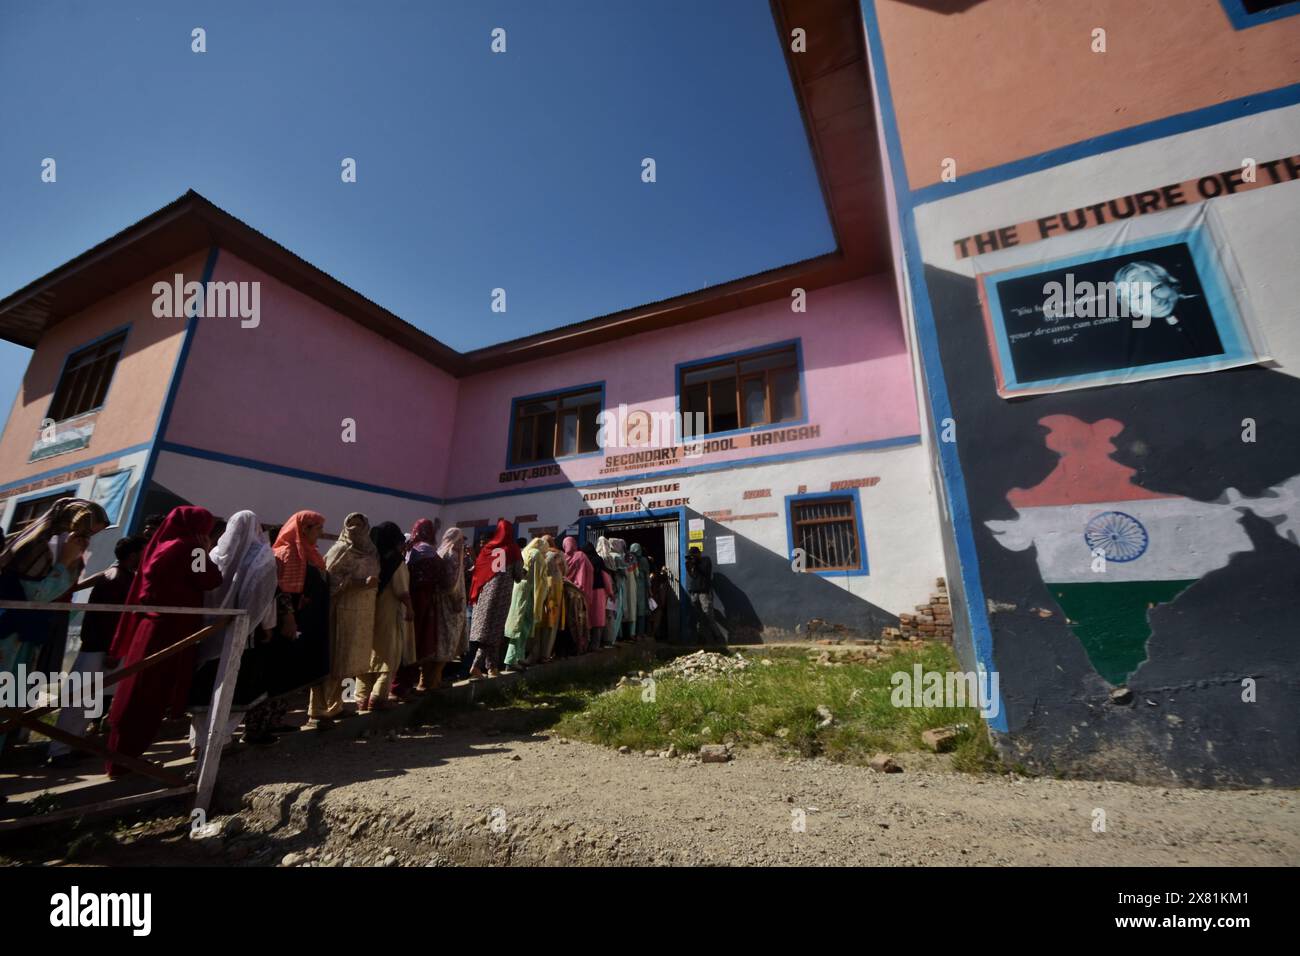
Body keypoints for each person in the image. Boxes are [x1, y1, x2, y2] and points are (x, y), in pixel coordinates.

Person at [105, 507, 224, 776]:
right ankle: (126, 761)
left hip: (149, 627)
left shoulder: (162, 545)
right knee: (150, 695)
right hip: (170, 631)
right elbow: (210, 580)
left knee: (134, 691)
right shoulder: (191, 548)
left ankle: (117, 757)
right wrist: (204, 550)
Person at [0, 499, 110, 757]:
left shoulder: (61, 549)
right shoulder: (36, 549)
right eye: (84, 532)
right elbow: (38, 596)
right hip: (8, 638)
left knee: (11, 705)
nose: (85, 541)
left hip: (26, 641)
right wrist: (65, 561)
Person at [47, 533, 146, 766]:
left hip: (106, 649)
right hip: (100, 649)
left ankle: (75, 743)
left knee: (89, 700)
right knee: (79, 701)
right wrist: (111, 650)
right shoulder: (116, 578)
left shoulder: (122, 576)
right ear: (133, 555)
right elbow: (108, 619)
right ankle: (59, 751)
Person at [188, 510, 278, 761]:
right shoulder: (260, 558)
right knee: (234, 687)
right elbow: (265, 597)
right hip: (241, 633)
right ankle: (222, 739)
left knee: (204, 686)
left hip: (207, 633)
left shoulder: (213, 555)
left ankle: (198, 742)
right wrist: (267, 625)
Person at [242, 511, 332, 742]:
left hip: (304, 621)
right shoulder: (288, 553)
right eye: (317, 529)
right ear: (304, 529)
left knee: (287, 672)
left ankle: (275, 721)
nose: (320, 534)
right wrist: (288, 617)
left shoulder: (309, 553)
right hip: (286, 623)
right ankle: (257, 727)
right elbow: (281, 591)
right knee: (273, 672)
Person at [314, 513, 379, 725]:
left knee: (351, 661)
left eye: (359, 525)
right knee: (334, 659)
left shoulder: (371, 551)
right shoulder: (340, 550)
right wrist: (358, 583)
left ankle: (340, 705)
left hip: (361, 614)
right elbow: (328, 581)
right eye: (350, 524)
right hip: (339, 612)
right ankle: (319, 711)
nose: (354, 528)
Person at [360, 522, 415, 711]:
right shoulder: (395, 561)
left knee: (366, 657)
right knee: (388, 656)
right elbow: (402, 590)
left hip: (366, 612)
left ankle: (361, 700)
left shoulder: (369, 558)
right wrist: (409, 608)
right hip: (387, 612)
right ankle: (377, 698)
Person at [467, 519, 522, 678]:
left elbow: (476, 570)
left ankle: (491, 668)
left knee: (488, 631)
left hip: (483, 596)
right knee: (494, 631)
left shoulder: (487, 549)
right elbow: (518, 575)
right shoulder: (512, 549)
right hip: (501, 596)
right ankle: (476, 666)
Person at [395, 518, 441, 697]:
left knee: (404, 641)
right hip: (423, 601)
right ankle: (405, 685)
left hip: (405, 599)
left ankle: (398, 684)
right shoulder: (430, 552)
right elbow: (441, 577)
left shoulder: (409, 550)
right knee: (417, 642)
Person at [429, 527, 469, 688]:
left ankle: (434, 679)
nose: (462, 543)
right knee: (448, 641)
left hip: (439, 602)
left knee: (440, 640)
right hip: (450, 605)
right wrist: (455, 600)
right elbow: (450, 583)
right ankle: (434, 681)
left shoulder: (441, 551)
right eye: (460, 540)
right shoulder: (452, 554)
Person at [503, 536, 547, 672]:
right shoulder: (537, 554)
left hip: (518, 590)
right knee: (522, 625)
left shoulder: (524, 551)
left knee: (517, 623)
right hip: (529, 592)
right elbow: (541, 577)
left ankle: (518, 657)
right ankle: (511, 659)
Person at [527, 537, 565, 665]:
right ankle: (545, 654)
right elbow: (565, 572)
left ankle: (533, 654)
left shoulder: (535, 554)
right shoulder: (558, 555)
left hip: (539, 590)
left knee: (538, 624)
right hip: (554, 592)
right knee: (550, 625)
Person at [685, 546, 727, 645]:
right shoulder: (694, 564)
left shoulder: (705, 560)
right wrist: (688, 568)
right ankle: (701, 639)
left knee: (708, 616)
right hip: (694, 593)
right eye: (691, 556)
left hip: (704, 592)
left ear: (698, 554)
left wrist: (695, 562)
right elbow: (693, 576)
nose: (692, 558)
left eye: (693, 555)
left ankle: (719, 638)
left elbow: (704, 571)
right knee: (698, 617)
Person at [561, 536, 594, 654]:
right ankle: (581, 646)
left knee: (566, 623)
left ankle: (566, 649)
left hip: (564, 594)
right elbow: (589, 571)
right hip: (579, 595)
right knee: (580, 622)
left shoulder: (562, 557)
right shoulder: (581, 556)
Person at [581, 541, 608, 651]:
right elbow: (604, 575)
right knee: (598, 618)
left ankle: (585, 645)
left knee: (588, 618)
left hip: (585, 590)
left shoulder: (584, 559)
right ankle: (595, 645)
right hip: (599, 590)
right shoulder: (598, 559)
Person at [597, 536, 624, 647]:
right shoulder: (609, 558)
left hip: (599, 590)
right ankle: (609, 639)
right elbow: (614, 573)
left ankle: (600, 640)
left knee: (600, 615)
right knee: (610, 615)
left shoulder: (596, 556)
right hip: (610, 589)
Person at [628, 542, 650, 640]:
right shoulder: (644, 560)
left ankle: (631, 633)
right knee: (641, 610)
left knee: (632, 609)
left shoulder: (628, 559)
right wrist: (649, 589)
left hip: (630, 586)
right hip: (641, 587)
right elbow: (647, 576)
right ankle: (640, 633)